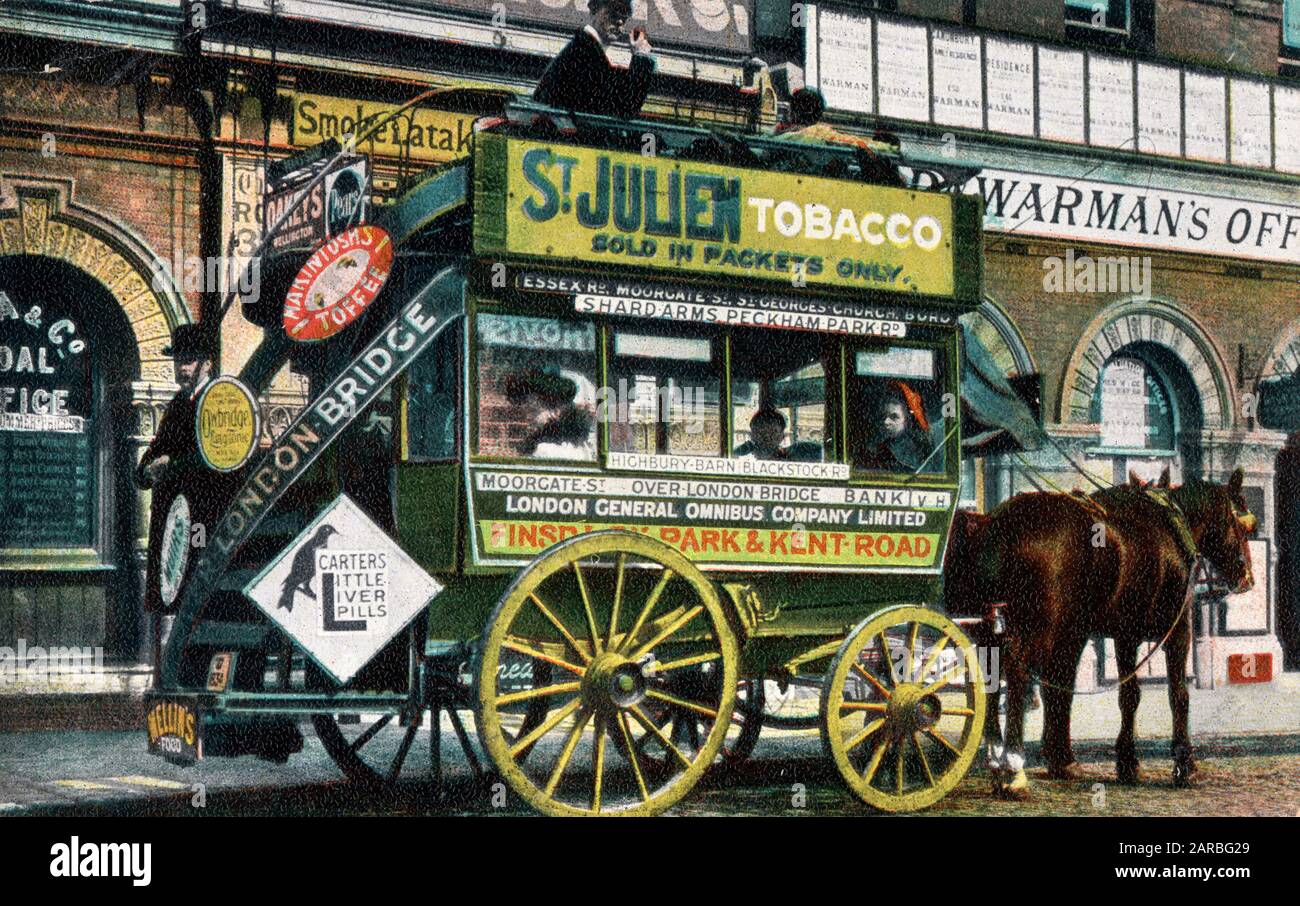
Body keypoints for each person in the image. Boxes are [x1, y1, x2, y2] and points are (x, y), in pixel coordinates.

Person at [136, 324, 216, 612]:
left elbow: (216, 456)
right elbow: (157, 448)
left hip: (201, 511)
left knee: (192, 582)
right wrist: (145, 470)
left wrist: (173, 464)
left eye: (189, 360)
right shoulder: (178, 402)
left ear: (207, 363)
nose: (181, 367)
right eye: (178, 360)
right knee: (170, 584)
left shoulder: (218, 399)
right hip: (171, 511)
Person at [533, 0, 655, 119]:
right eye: (613, 13)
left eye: (625, 17)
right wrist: (641, 57)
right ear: (594, 10)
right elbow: (625, 108)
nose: (619, 21)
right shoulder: (584, 52)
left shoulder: (585, 48)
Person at [775, 87, 901, 185]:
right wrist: (888, 148)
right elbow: (858, 143)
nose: (788, 113)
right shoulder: (819, 133)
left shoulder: (806, 134)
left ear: (796, 112)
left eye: (792, 108)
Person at [504, 368, 596, 460]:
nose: (527, 417)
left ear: (555, 411)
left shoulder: (545, 450)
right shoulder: (543, 440)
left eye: (532, 410)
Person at [859, 380, 935, 472]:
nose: (886, 422)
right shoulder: (877, 451)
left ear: (908, 419)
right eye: (884, 416)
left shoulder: (922, 450)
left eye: (894, 417)